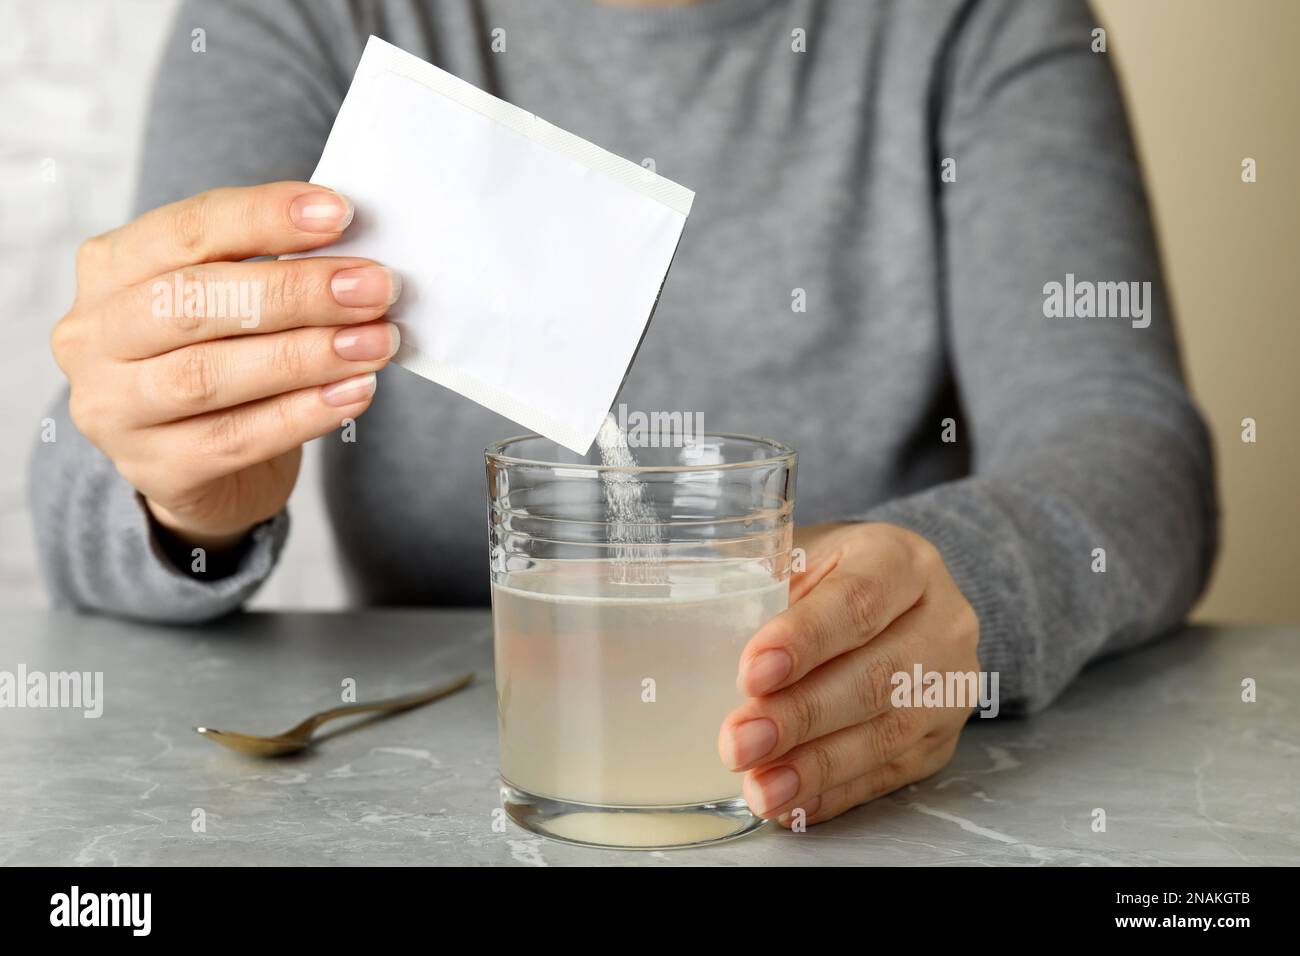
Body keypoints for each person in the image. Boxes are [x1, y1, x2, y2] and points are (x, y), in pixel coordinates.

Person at [30, 0, 1217, 828]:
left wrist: (966, 586)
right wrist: (182, 497)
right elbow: (93, 468)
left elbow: (1130, 444)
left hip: (846, 804)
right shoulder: (306, 10)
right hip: (461, 796)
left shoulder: (972, 16)